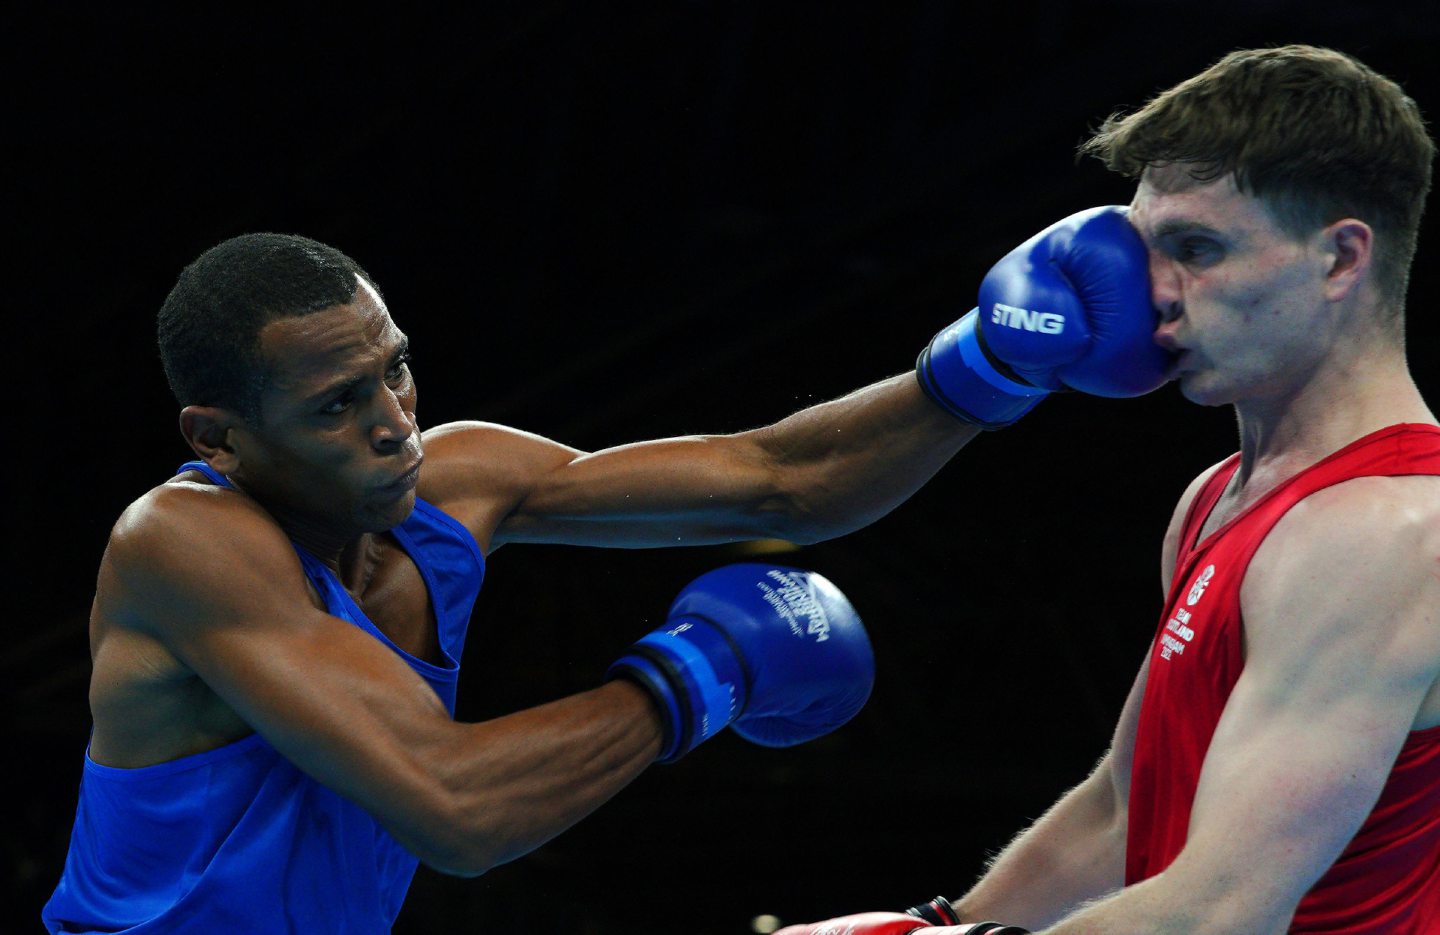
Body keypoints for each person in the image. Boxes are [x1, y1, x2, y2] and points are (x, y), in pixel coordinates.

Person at [41, 194, 1169, 930]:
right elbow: (454, 806)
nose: (394, 422)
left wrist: (977, 374)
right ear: (218, 438)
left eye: (396, 371)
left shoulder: (457, 479)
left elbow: (782, 479)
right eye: (338, 404)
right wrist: (701, 672)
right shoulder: (180, 544)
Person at [778, 44, 1439, 935]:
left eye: (1198, 250)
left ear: (1339, 259)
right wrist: (937, 921)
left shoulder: (1391, 530)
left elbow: (1222, 909)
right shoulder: (1217, 496)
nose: (1153, 294)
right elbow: (1118, 809)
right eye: (1147, 248)